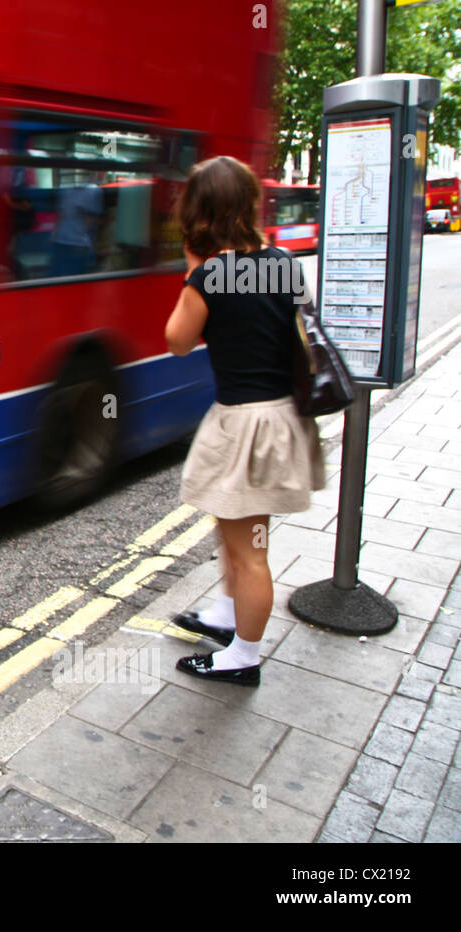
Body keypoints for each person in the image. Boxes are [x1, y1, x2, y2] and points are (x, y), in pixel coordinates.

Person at [162, 156, 325, 686]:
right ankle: (226, 614)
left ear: (198, 211)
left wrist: (194, 273)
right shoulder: (283, 263)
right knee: (233, 529)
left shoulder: (209, 275)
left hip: (246, 425)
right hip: (279, 417)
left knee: (252, 551)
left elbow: (177, 341)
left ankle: (243, 658)